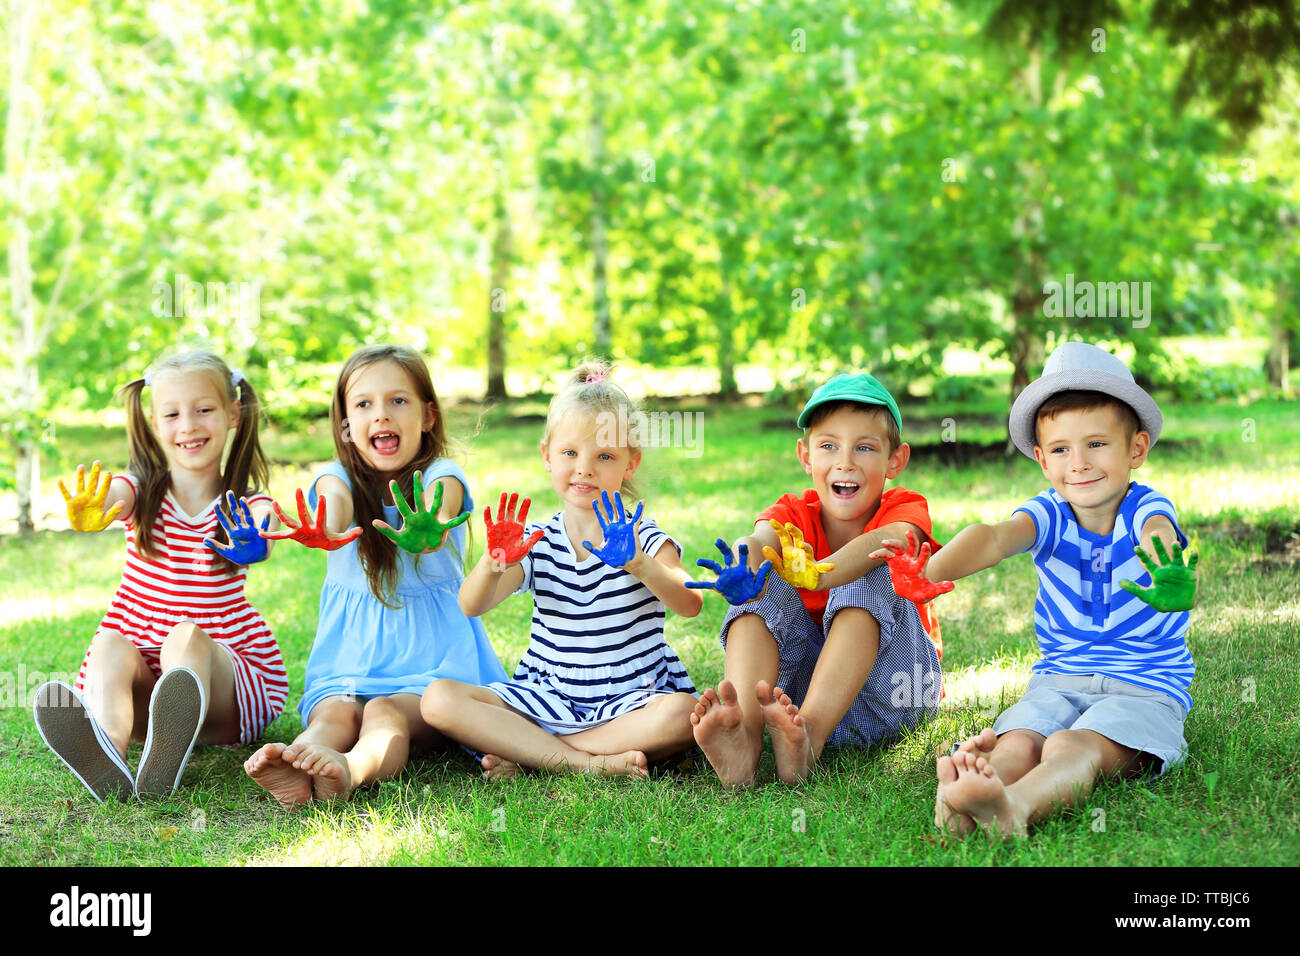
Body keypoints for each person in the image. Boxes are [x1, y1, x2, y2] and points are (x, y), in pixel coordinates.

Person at [873, 341, 1198, 839]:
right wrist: (933, 569)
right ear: (1043, 460)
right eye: (1062, 450)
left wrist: (1165, 563)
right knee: (1019, 742)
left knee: (1072, 746)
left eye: (1097, 444)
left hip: (1144, 687)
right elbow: (996, 537)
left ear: (1136, 449)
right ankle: (966, 803)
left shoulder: (1145, 507)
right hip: (1057, 682)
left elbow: (1158, 531)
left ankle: (1016, 808)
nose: (1080, 463)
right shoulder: (1049, 512)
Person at [243, 344, 506, 806]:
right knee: (336, 716)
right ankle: (300, 762)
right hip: (350, 662)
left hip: (432, 671)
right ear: (346, 425)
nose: (380, 415)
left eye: (397, 401)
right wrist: (327, 527)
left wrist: (430, 526)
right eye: (363, 404)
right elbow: (334, 505)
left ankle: (350, 770)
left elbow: (441, 503)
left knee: (386, 713)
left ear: (427, 415)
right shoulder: (337, 476)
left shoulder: (443, 473)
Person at [420, 362, 702, 779]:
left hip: (630, 700)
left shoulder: (642, 533)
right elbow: (471, 604)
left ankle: (532, 753)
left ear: (631, 463)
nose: (584, 468)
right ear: (547, 457)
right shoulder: (536, 541)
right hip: (546, 698)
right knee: (437, 700)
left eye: (604, 455)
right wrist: (493, 564)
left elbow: (690, 601)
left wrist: (640, 564)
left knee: (686, 715)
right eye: (570, 453)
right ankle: (585, 764)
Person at [33, 350, 286, 802]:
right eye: (172, 414)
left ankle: (172, 747)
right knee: (110, 641)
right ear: (154, 421)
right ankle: (109, 748)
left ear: (232, 413)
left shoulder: (244, 505)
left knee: (185, 636)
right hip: (147, 699)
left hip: (223, 692)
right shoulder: (142, 491)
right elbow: (115, 492)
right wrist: (98, 503)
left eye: (204, 409)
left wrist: (260, 537)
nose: (187, 425)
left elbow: (268, 520)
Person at [689, 373, 945, 787]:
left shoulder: (903, 507)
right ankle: (747, 737)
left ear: (895, 461)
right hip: (797, 698)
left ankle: (809, 739)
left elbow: (892, 540)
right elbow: (760, 539)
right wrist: (745, 562)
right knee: (763, 580)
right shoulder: (795, 511)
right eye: (829, 446)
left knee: (873, 564)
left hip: (894, 697)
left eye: (864, 447)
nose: (845, 461)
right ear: (805, 456)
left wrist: (821, 574)